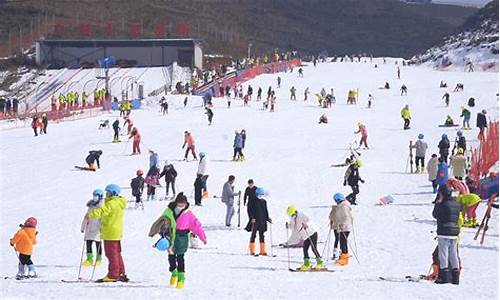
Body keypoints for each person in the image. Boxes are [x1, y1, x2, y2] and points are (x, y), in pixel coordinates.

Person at [166, 193, 207, 289]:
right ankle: (174, 272)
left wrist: (203, 237)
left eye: (183, 204)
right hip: (171, 236)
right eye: (179, 204)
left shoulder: (188, 214)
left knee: (180, 257)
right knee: (171, 256)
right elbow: (162, 221)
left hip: (182, 237)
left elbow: (196, 225)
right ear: (176, 203)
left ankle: (181, 278)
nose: (181, 206)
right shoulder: (169, 210)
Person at [88, 184, 128, 283]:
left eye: (108, 192)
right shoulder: (117, 202)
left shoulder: (112, 203)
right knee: (116, 253)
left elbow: (103, 211)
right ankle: (120, 272)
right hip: (115, 232)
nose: (106, 194)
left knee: (111, 254)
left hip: (110, 232)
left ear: (113, 193)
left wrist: (91, 214)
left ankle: (113, 275)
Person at [432, 185, 462, 285]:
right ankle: (455, 277)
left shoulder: (442, 204)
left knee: (443, 254)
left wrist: (437, 203)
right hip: (454, 232)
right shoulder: (457, 204)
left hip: (444, 231)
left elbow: (435, 215)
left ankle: (444, 277)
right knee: (453, 253)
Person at [286, 206, 323, 270]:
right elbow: (292, 227)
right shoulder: (293, 219)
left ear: (295, 212)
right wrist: (288, 226)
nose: (292, 216)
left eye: (293, 214)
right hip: (305, 236)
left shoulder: (301, 215)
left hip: (312, 233)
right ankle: (307, 264)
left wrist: (306, 224)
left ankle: (320, 263)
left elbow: (308, 220)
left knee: (313, 248)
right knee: (305, 249)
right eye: (291, 215)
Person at [81, 189, 104, 266]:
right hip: (89, 228)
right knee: (88, 243)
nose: (94, 197)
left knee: (98, 244)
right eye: (94, 195)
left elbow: (103, 218)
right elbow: (86, 217)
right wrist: (83, 227)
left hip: (97, 228)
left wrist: (103, 228)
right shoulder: (91, 205)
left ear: (100, 196)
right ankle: (89, 259)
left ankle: (99, 259)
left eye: (96, 196)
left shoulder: (102, 206)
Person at [245, 187, 271, 256]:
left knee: (262, 235)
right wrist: (252, 218)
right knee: (253, 235)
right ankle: (252, 251)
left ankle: (262, 251)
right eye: (259, 194)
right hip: (255, 221)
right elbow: (249, 211)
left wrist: (268, 218)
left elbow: (265, 211)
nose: (260, 196)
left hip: (262, 221)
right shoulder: (252, 201)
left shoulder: (264, 202)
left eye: (262, 194)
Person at [329, 193, 353, 265]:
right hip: (344, 226)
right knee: (343, 242)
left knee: (343, 242)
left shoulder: (343, 206)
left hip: (344, 227)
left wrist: (343, 224)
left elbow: (346, 217)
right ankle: (343, 258)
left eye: (335, 200)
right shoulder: (342, 206)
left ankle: (344, 259)